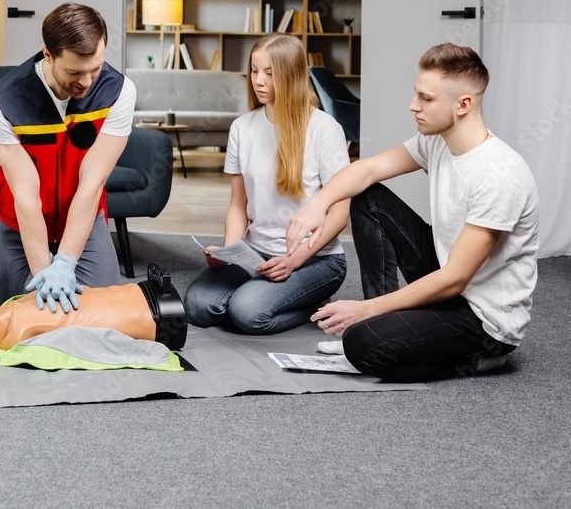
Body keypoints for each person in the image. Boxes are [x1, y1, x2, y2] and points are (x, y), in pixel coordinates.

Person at [286, 43, 539, 382]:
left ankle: (482, 357)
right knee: (368, 197)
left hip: (482, 317)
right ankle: (377, 322)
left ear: (463, 104)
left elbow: (455, 279)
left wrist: (364, 311)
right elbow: (367, 171)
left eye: (426, 99)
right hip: (447, 276)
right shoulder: (437, 140)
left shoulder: (499, 176)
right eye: (416, 94)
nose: (413, 106)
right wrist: (317, 205)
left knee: (362, 345)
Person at [0, 2, 137, 311]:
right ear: (48, 54)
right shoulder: (4, 100)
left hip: (83, 215)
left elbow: (93, 182)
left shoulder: (120, 92)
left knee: (105, 317)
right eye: (74, 72)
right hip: (14, 217)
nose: (87, 82)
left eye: (95, 69)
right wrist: (43, 273)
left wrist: (64, 262)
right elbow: (25, 193)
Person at [183, 34, 350, 334]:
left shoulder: (325, 129)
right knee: (197, 306)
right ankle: (266, 295)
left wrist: (294, 261)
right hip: (255, 254)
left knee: (247, 313)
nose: (259, 81)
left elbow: (340, 212)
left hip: (317, 259)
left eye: (270, 74)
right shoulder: (242, 127)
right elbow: (238, 204)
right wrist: (228, 251)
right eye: (255, 70)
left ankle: (312, 303)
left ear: (290, 75)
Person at [0, 278, 187, 357]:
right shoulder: (22, 337)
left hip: (146, 290)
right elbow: (98, 350)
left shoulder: (12, 307)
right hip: (159, 315)